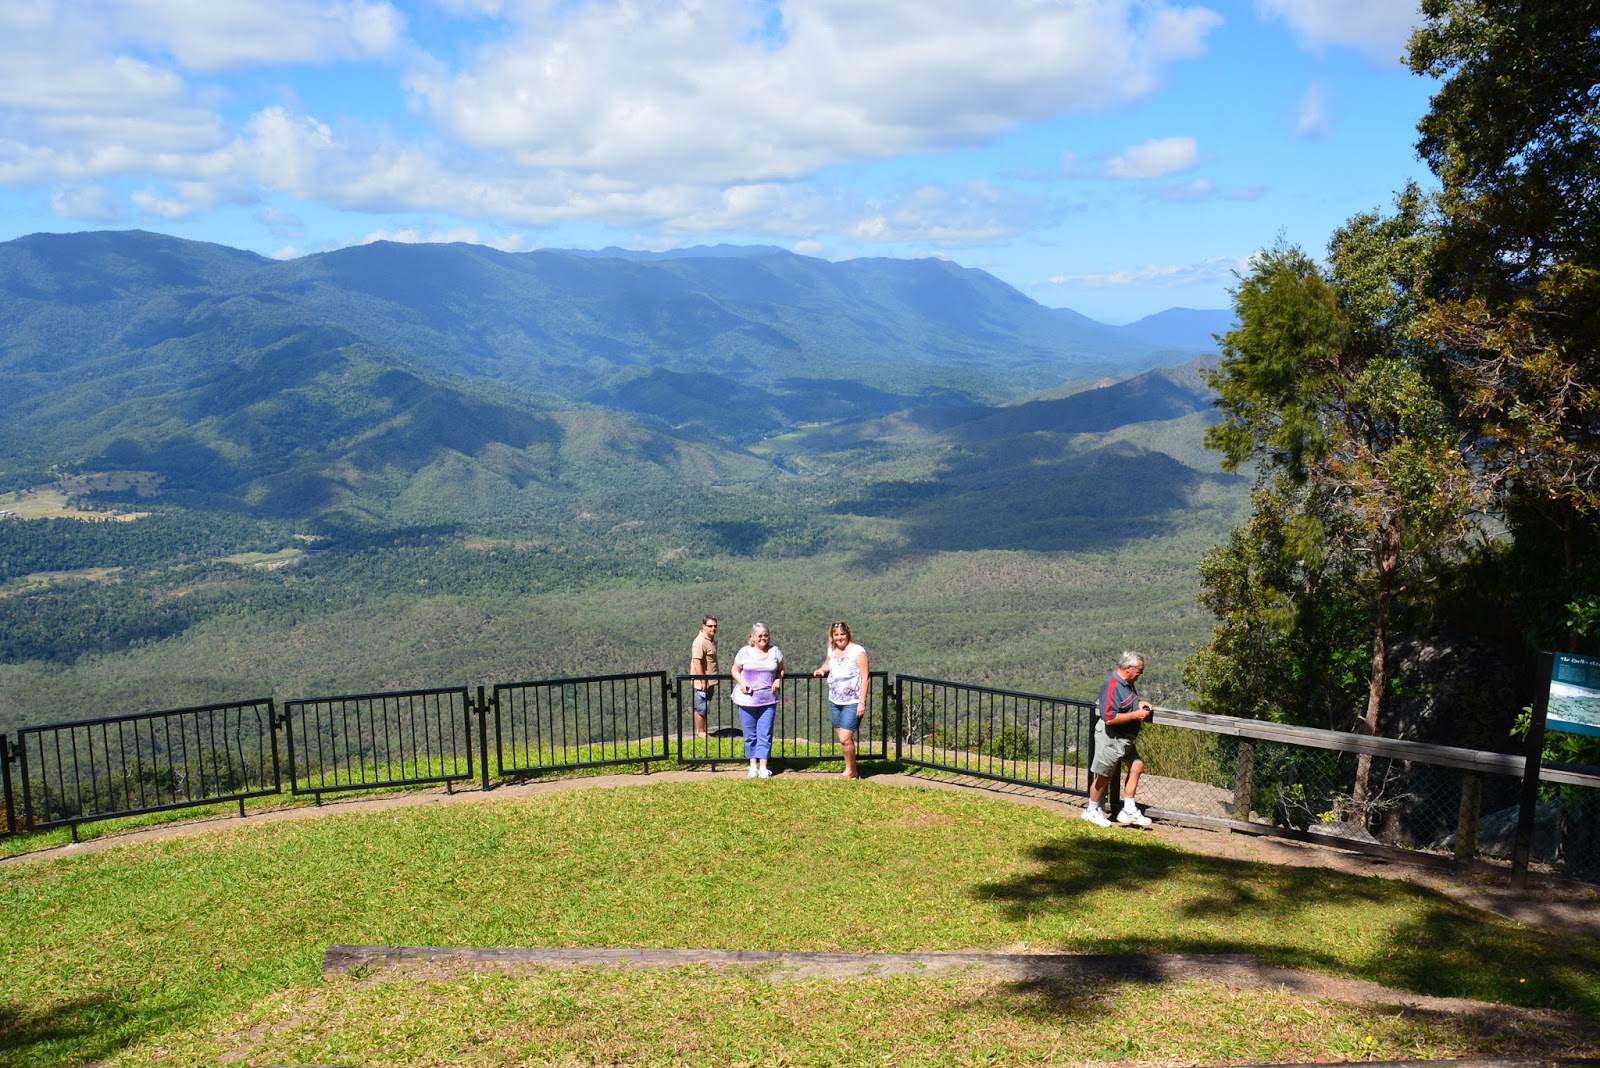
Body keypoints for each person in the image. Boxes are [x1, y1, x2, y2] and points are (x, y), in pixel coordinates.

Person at [1082, 651, 1154, 827]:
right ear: (1129, 668)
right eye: (1140, 670)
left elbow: (1124, 705)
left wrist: (1138, 704)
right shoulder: (1113, 685)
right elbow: (1110, 717)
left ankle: (1128, 810)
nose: (1141, 674)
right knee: (1104, 776)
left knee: (1137, 765)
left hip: (1125, 739)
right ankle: (1091, 810)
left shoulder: (1128, 683)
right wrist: (1136, 714)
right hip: (1112, 738)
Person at [812, 620, 869, 779]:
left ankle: (850, 770)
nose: (839, 637)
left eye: (842, 634)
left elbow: (865, 678)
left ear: (848, 633)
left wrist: (862, 702)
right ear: (832, 636)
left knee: (845, 738)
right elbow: (827, 664)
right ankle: (851, 769)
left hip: (853, 701)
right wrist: (821, 670)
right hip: (834, 699)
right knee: (843, 739)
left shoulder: (858, 652)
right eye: (836, 634)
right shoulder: (832, 649)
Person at [730, 622, 784, 778]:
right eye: (759, 635)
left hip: (768, 699)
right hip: (746, 699)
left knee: (765, 733)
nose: (763, 638)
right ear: (752, 637)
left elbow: (781, 669)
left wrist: (777, 680)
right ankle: (752, 765)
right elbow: (734, 669)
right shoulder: (744, 653)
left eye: (766, 635)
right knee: (750, 734)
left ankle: (763, 766)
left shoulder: (775, 652)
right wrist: (741, 682)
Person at [689, 615, 719, 738]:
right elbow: (697, 661)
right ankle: (700, 732)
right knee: (701, 706)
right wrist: (703, 680)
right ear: (704, 626)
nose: (713, 628)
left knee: (704, 705)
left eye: (715, 626)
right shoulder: (700, 642)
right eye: (710, 626)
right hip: (703, 682)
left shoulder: (708, 640)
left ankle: (702, 730)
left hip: (709, 681)